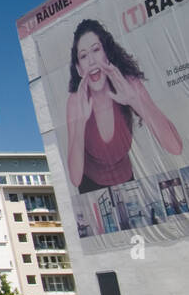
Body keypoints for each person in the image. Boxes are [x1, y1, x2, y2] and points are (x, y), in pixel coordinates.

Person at [65, 19, 183, 193]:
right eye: (83, 56)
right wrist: (81, 122)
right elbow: (75, 178)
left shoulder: (128, 84)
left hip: (128, 182)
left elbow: (175, 147)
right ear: (79, 69)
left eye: (96, 50)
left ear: (107, 54)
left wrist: (134, 101)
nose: (91, 61)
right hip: (92, 189)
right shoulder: (75, 102)